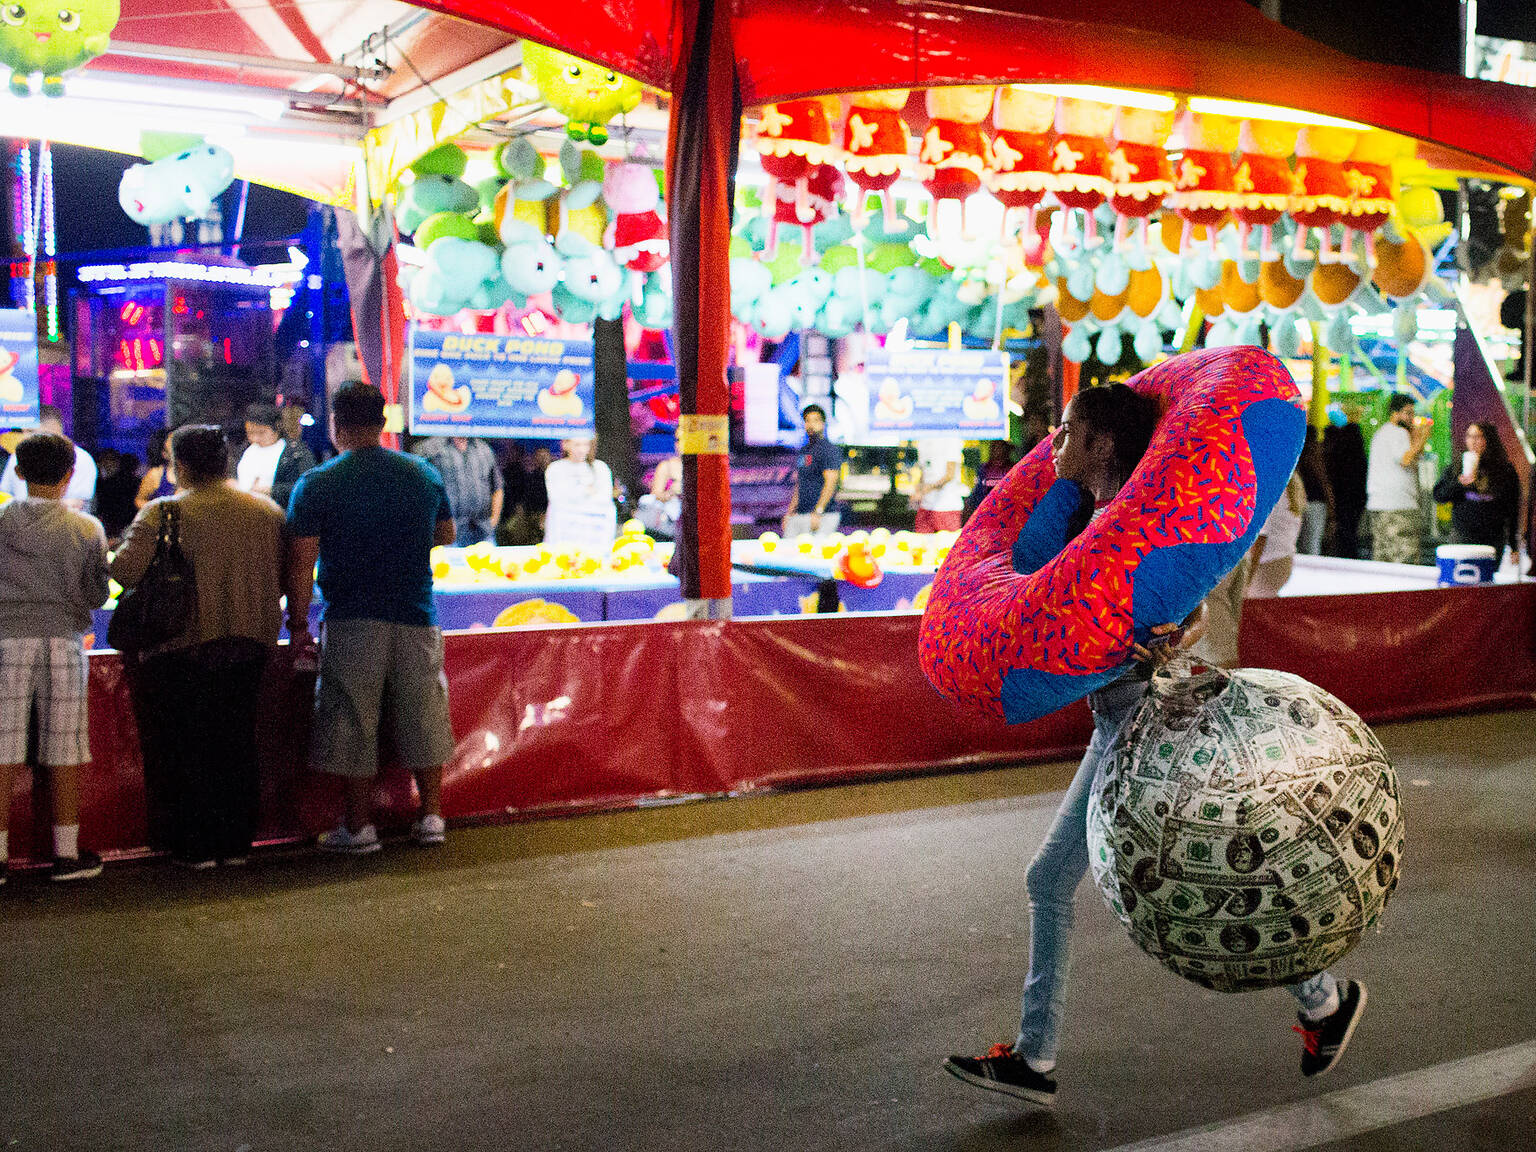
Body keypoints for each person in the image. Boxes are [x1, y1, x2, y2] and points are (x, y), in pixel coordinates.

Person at [944, 384, 1365, 1106]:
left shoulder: (1149, 517)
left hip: (1158, 715)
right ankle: (1323, 1002)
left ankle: (1037, 1058)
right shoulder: (1087, 516)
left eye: (1070, 433)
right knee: (1235, 859)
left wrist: (1174, 638)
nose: (1056, 445)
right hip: (1117, 718)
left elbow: (1196, 605)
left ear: (1104, 443)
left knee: (1078, 877)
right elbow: (1028, 583)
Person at [285, 384, 456, 854]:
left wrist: (298, 626)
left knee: (351, 716)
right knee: (424, 711)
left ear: (337, 424)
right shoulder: (422, 474)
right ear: (383, 424)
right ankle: (432, 818)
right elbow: (446, 532)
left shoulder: (318, 483)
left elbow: (301, 563)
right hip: (417, 614)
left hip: (352, 619)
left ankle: (359, 826)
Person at [112, 425, 286, 868]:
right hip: (250, 642)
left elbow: (125, 574)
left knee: (184, 745)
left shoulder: (162, 513)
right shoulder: (266, 512)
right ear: (225, 462)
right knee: (236, 740)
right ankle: (235, 841)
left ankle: (195, 845)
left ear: (181, 465)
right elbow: (287, 574)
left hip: (179, 645)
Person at [0, 431, 111, 883]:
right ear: (69, 476)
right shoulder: (87, 528)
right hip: (64, 642)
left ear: (19, 473)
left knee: (1, 747)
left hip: (5, 640)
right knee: (64, 748)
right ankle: (66, 855)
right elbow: (97, 593)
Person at [1432, 421, 1521, 565]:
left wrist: (1514, 546)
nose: (1472, 441)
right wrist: (1459, 484)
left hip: (1492, 538)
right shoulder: (1457, 466)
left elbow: (1512, 509)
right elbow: (1439, 495)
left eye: (1478, 437)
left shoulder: (1504, 471)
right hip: (1462, 536)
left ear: (1488, 439)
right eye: (1469, 436)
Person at [1366, 393, 1432, 565]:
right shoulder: (1397, 432)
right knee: (1405, 557)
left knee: (1383, 557)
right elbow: (1406, 459)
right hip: (1398, 506)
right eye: (1408, 413)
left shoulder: (1380, 434)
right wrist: (1422, 437)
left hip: (1378, 505)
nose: (1412, 418)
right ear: (1394, 413)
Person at [0, 406, 97, 512]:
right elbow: (5, 497)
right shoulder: (16, 456)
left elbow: (74, 504)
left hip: (64, 526)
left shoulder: (81, 459)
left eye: (49, 436)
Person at [415, 435, 504, 546]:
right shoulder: (429, 449)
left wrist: (493, 521)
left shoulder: (484, 449)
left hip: (483, 533)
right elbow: (418, 489)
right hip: (448, 535)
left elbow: (497, 488)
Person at [544, 436, 618, 554]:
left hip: (595, 532)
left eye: (586, 445)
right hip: (565, 532)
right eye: (577, 445)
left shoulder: (600, 467)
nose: (582, 450)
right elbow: (557, 499)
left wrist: (576, 494)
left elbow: (604, 499)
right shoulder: (555, 468)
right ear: (565, 444)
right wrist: (585, 491)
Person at [238, 402, 316, 512]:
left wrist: (271, 491)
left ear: (276, 428)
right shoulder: (246, 450)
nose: (255, 438)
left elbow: (308, 486)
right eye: (250, 433)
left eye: (261, 433)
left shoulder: (295, 453)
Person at [782, 404, 842, 538]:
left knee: (815, 554)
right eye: (807, 421)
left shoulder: (829, 450)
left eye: (815, 421)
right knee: (788, 551)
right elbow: (801, 483)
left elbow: (831, 482)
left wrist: (818, 512)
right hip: (801, 514)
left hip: (824, 515)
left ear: (823, 424)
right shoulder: (804, 451)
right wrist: (790, 513)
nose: (810, 425)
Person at [1248, 470, 1307, 597]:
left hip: (1266, 563)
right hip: (1283, 561)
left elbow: (1260, 537)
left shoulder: (1269, 491)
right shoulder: (1292, 490)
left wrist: (1248, 577)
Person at [910, 438, 969, 533]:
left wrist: (923, 491)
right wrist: (918, 490)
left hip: (947, 508)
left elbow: (949, 475)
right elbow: (923, 471)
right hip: (925, 507)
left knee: (947, 546)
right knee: (922, 545)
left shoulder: (951, 438)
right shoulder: (923, 440)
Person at [636, 433, 683, 539]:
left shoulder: (701, 467)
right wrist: (672, 492)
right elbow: (655, 494)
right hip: (670, 521)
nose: (681, 444)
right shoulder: (666, 466)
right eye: (678, 440)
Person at [1295, 426, 1331, 556]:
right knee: (1313, 542)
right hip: (1316, 501)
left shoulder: (1296, 455)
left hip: (1299, 501)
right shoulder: (1315, 454)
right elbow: (1323, 480)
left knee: (1299, 542)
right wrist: (1331, 502)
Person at [963, 440, 1016, 523]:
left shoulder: (1013, 468)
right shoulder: (985, 468)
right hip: (987, 510)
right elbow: (978, 490)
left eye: (1001, 448)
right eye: (995, 448)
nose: (999, 451)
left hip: (1006, 510)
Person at [135, 428, 178, 509]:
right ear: (164, 454)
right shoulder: (156, 474)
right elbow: (139, 500)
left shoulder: (194, 471)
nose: (178, 446)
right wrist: (159, 510)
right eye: (173, 444)